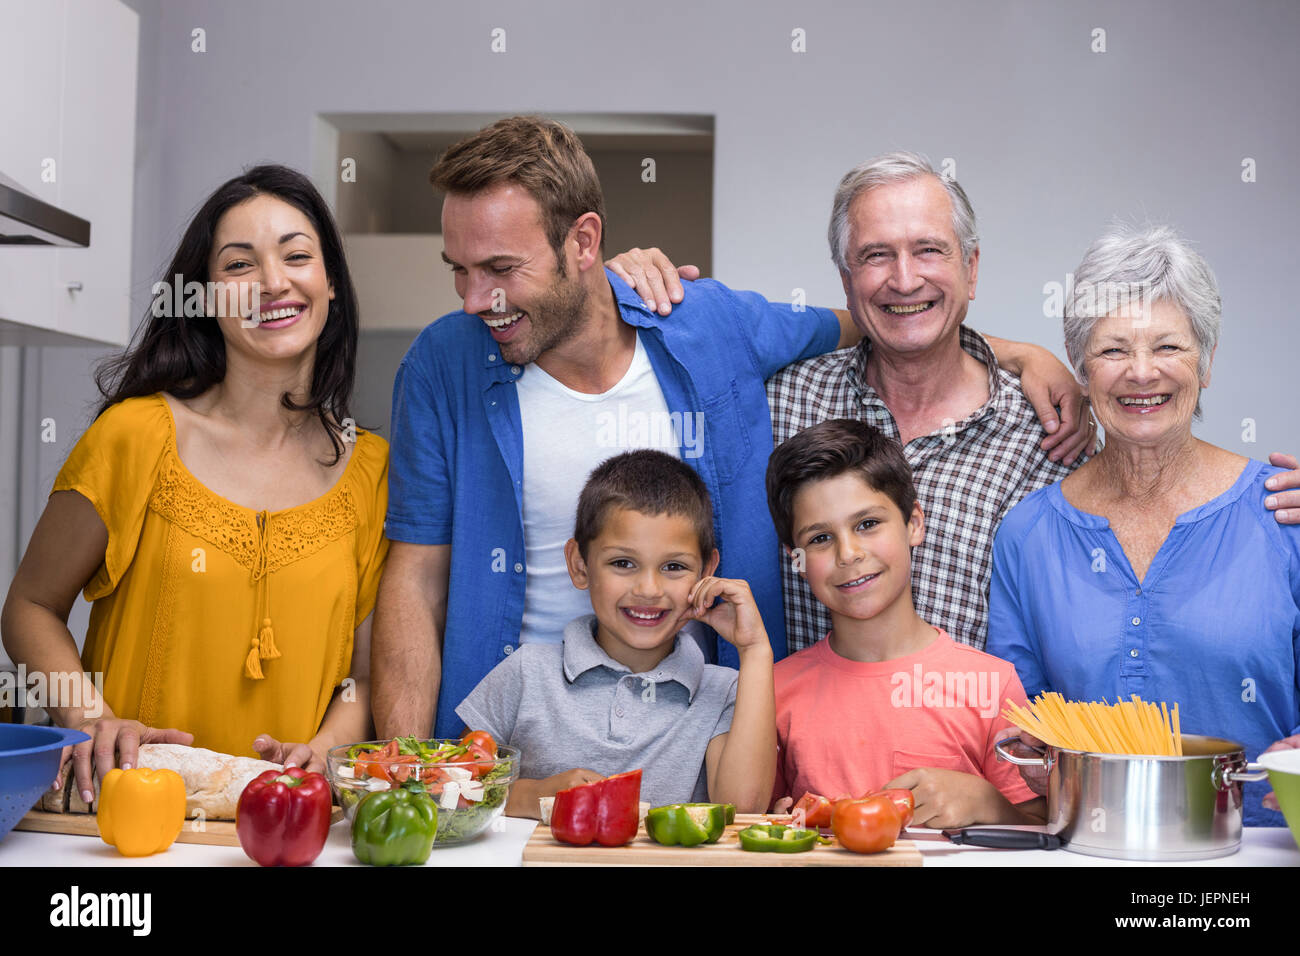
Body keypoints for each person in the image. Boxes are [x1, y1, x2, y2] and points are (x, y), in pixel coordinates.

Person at [620, 151, 1300, 654]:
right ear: (846, 279)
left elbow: (1146, 591)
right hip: (785, 798)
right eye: (877, 256)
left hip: (975, 798)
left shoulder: (1050, 432)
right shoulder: (775, 406)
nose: (904, 277)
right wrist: (622, 294)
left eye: (928, 250)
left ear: (971, 269)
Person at [373, 115, 854, 741]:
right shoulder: (442, 364)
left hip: (701, 750)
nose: (473, 299)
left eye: (499, 268)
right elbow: (416, 580)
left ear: (582, 241)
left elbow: (878, 320)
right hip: (505, 755)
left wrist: (1013, 355)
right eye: (459, 270)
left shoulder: (706, 323)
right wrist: (406, 771)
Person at [0, 166, 388, 803]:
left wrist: (326, 750)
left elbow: (367, 676)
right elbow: (30, 606)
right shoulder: (136, 436)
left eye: (297, 255)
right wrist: (88, 717)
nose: (273, 282)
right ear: (204, 297)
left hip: (287, 829)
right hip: (126, 815)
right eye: (239, 266)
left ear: (330, 283)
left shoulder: (373, 471)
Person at [987, 224, 1300, 826]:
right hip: (1090, 849)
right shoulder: (1028, 535)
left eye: (1168, 347)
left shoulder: (1283, 511)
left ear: (1206, 362)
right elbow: (1017, 718)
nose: (1141, 372)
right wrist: (1028, 756)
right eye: (1113, 350)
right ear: (1081, 370)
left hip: (1261, 850)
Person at [455, 450, 775, 813]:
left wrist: (755, 650)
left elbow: (744, 809)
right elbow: (457, 791)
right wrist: (537, 796)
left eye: (673, 566)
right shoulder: (527, 673)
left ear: (706, 573)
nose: (649, 589)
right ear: (579, 565)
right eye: (623, 563)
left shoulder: (725, 691)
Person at [764, 419, 1040, 827]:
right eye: (820, 538)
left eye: (867, 524)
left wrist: (985, 801)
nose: (849, 554)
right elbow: (755, 818)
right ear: (796, 559)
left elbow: (1039, 830)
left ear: (914, 524)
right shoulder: (773, 690)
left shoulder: (991, 685)